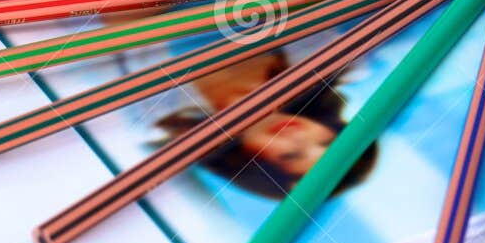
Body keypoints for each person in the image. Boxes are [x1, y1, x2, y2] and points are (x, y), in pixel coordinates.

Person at [153, 50, 378, 199]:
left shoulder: (159, 114)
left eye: (290, 155)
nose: (300, 137)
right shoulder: (320, 60)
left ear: (255, 167)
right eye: (326, 141)